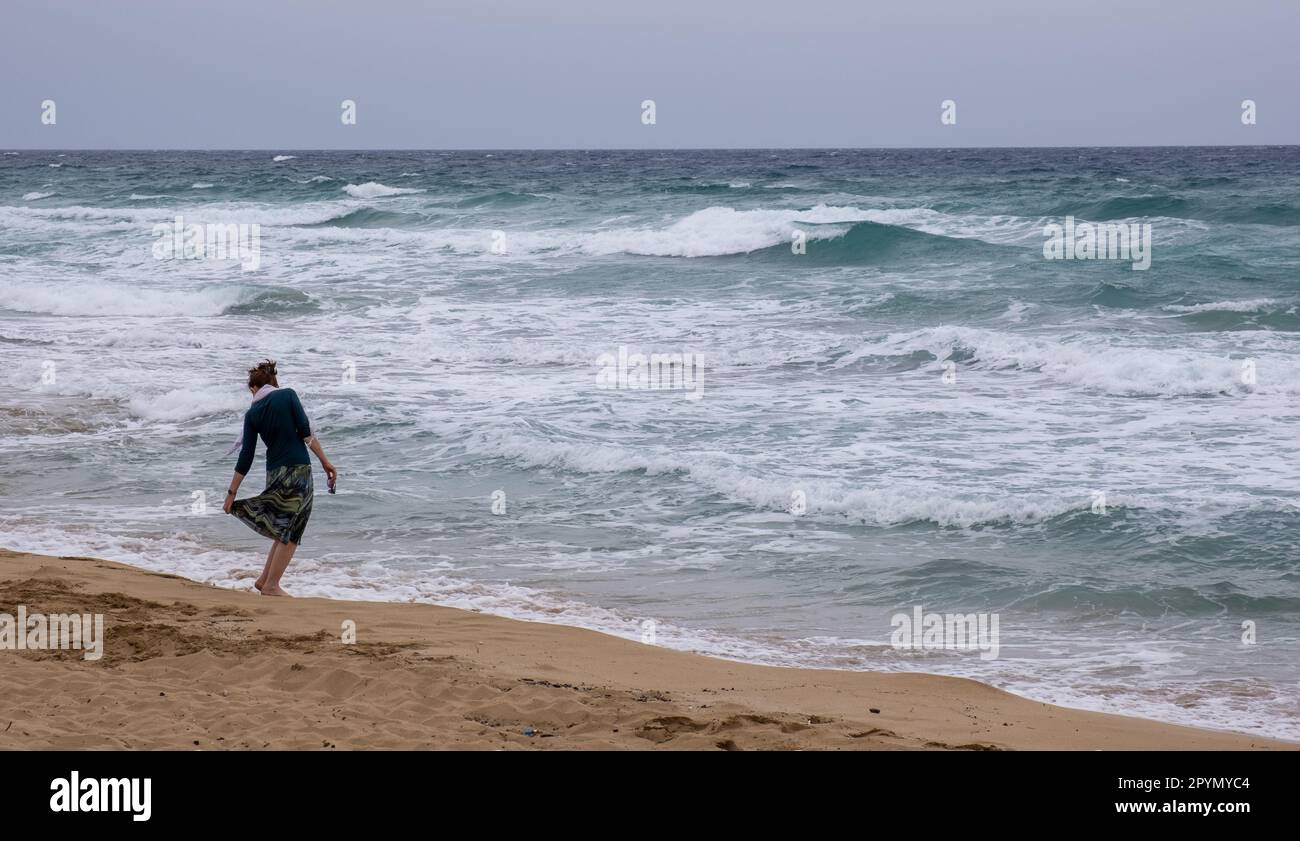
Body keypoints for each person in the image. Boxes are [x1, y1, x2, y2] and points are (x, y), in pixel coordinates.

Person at [223, 360, 337, 596]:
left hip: (274, 473)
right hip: (297, 471)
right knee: (293, 530)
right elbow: (306, 432)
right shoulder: (288, 395)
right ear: (274, 382)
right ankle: (273, 586)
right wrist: (325, 461)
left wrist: (231, 494)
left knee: (284, 528)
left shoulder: (252, 413)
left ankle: (265, 580)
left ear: (254, 388)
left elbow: (246, 456)